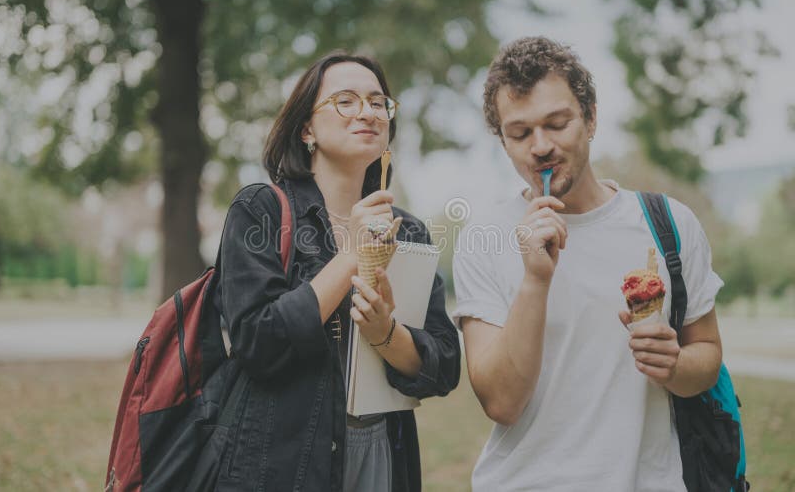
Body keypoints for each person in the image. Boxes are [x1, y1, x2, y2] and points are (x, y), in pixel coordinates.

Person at [452, 37, 724, 491]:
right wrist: (535, 280)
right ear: (503, 141)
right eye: (520, 133)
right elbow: (501, 402)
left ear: (591, 118)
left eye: (557, 124)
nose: (541, 146)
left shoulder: (668, 223)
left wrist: (675, 365)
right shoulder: (483, 238)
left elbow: (708, 354)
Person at [212, 52, 460, 491]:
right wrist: (351, 255)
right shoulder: (261, 211)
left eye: (378, 102)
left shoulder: (408, 231)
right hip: (283, 459)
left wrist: (386, 334)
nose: (368, 112)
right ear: (306, 129)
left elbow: (444, 367)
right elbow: (257, 343)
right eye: (346, 101)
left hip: (382, 452)